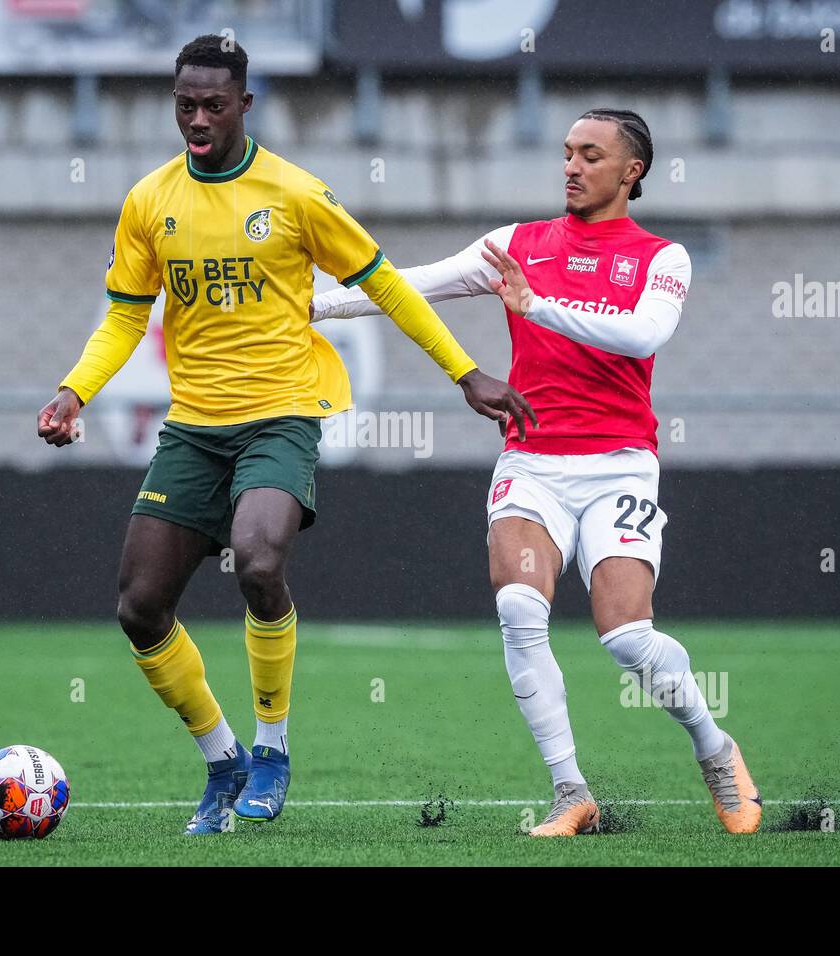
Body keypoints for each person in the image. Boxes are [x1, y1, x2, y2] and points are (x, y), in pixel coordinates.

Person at [37, 35, 532, 836]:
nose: (197, 119)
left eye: (213, 105)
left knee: (259, 560)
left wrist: (465, 371)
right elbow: (129, 314)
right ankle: (223, 758)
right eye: (184, 105)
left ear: (245, 106)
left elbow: (387, 285)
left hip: (280, 415)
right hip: (193, 430)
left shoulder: (296, 194)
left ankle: (272, 748)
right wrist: (73, 390)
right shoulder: (149, 201)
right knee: (138, 606)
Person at [312, 108, 762, 836]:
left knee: (625, 638)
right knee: (520, 608)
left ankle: (715, 749)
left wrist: (539, 308)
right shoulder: (516, 244)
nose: (572, 166)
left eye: (591, 155)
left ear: (631, 171)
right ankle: (570, 790)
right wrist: (311, 304)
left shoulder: (662, 257)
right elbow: (407, 285)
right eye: (567, 153)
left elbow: (643, 335)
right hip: (533, 464)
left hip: (620, 466)